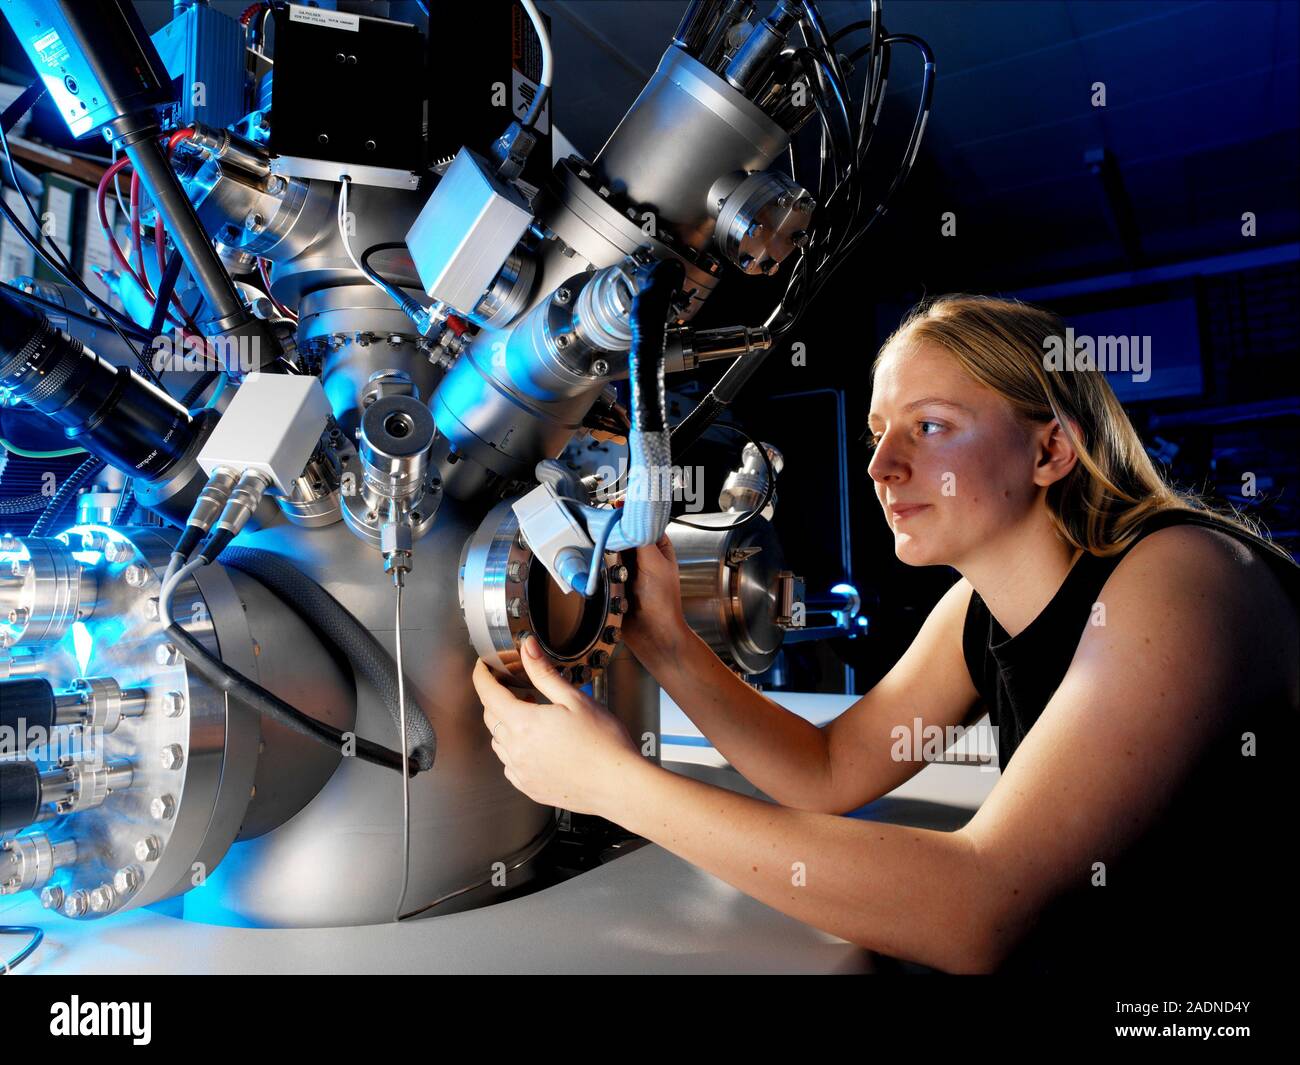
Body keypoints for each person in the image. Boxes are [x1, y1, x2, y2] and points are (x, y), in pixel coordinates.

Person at [472, 294, 1299, 974]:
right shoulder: (977, 610)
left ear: (1050, 448)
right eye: (878, 433)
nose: (880, 467)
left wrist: (614, 785)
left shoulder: (1186, 575)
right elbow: (829, 769)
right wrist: (669, 647)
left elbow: (980, 909)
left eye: (929, 426)